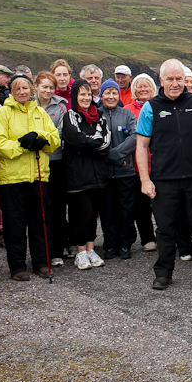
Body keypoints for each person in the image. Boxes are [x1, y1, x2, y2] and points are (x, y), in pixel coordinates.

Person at [135, 58, 192, 291]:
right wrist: (145, 179)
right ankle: (163, 273)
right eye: (170, 79)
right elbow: (141, 146)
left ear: (185, 80)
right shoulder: (150, 108)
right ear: (161, 81)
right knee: (165, 229)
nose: (175, 83)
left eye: (179, 79)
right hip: (164, 179)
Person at [0, 74, 61, 280]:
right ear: (12, 92)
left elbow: (55, 138)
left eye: (25, 88)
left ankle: (41, 262)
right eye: (17, 89)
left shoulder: (40, 112)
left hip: (38, 175)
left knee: (40, 220)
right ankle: (17, 267)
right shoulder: (3, 113)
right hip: (11, 178)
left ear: (31, 89)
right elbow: (0, 144)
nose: (22, 92)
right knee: (15, 223)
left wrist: (42, 139)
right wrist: (23, 145)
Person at [63, 80, 110, 270]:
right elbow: (75, 139)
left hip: (97, 175)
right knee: (81, 214)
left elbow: (106, 144)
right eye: (82, 94)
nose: (85, 98)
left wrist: (87, 145)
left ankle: (91, 248)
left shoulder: (100, 117)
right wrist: (92, 144)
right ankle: (80, 251)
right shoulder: (70, 115)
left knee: (92, 216)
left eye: (88, 94)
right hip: (77, 176)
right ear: (75, 96)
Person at [99, 79, 138, 260]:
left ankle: (125, 244)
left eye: (114, 93)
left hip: (125, 171)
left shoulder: (127, 114)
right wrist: (109, 156)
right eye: (107, 93)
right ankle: (110, 244)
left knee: (126, 209)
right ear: (102, 95)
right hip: (104, 173)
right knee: (107, 210)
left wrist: (117, 154)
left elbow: (135, 136)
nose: (111, 96)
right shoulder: (96, 115)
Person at [34, 72, 69, 265]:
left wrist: (44, 141)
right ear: (36, 86)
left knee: (57, 207)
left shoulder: (61, 107)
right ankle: (42, 252)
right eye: (44, 87)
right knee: (41, 208)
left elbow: (61, 135)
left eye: (51, 87)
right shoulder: (30, 106)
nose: (48, 91)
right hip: (35, 162)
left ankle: (58, 250)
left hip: (56, 161)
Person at [124, 74, 158, 252]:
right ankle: (147, 238)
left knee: (162, 204)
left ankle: (166, 235)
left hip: (159, 165)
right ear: (134, 89)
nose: (143, 89)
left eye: (146, 86)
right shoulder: (127, 109)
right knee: (141, 206)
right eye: (139, 86)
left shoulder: (159, 106)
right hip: (137, 165)